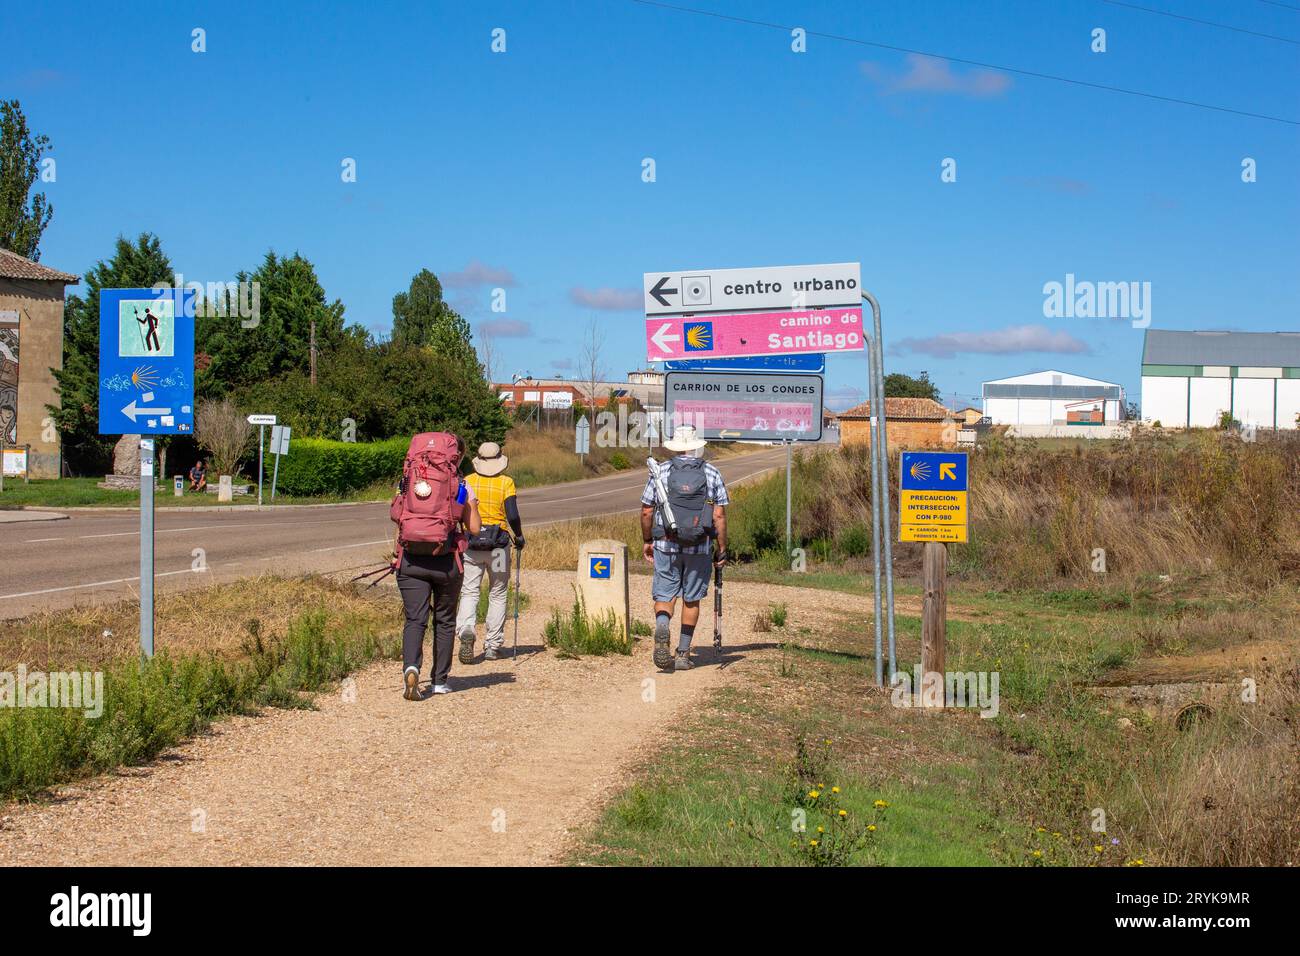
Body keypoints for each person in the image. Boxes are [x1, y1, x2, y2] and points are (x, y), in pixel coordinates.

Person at [394, 435, 482, 700]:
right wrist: (471, 505)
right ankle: (440, 681)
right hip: (446, 561)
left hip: (410, 560)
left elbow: (396, 515)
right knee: (444, 621)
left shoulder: (408, 479)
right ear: (458, 457)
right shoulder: (460, 485)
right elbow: (474, 528)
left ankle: (411, 667)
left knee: (414, 620)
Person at [640, 424, 728, 672]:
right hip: (699, 547)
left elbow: (647, 510)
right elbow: (719, 516)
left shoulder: (661, 472)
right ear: (697, 445)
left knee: (665, 593)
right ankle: (682, 653)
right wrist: (722, 549)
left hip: (666, 544)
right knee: (691, 598)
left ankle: (662, 622)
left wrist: (648, 540)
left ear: (675, 446)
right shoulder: (711, 472)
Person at [456, 441, 525, 663]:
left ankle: (466, 629)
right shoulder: (506, 483)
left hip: (473, 544)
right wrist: (519, 535)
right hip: (497, 546)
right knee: (497, 592)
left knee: (469, 591)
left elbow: (458, 510)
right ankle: (493, 645)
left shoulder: (467, 481)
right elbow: (512, 514)